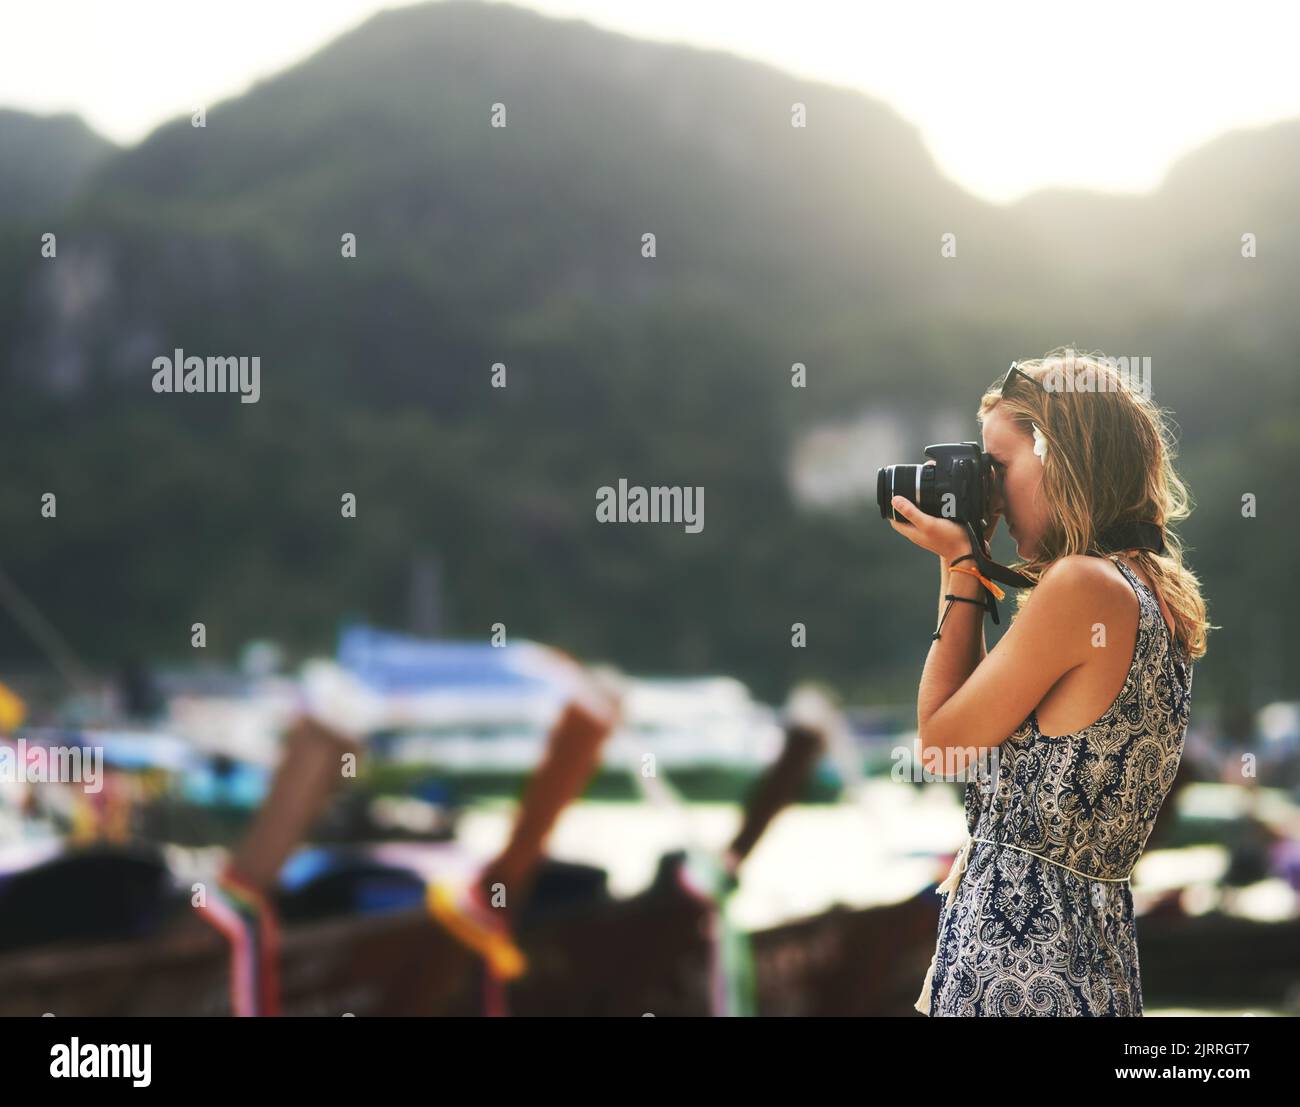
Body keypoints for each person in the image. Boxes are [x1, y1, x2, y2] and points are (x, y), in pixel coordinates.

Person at [890, 348, 1209, 1016]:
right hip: (1093, 957)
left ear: (1061, 456)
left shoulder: (1082, 586)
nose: (989, 493)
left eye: (998, 466)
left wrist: (960, 562)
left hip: (1019, 969)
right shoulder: (1153, 592)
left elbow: (943, 740)